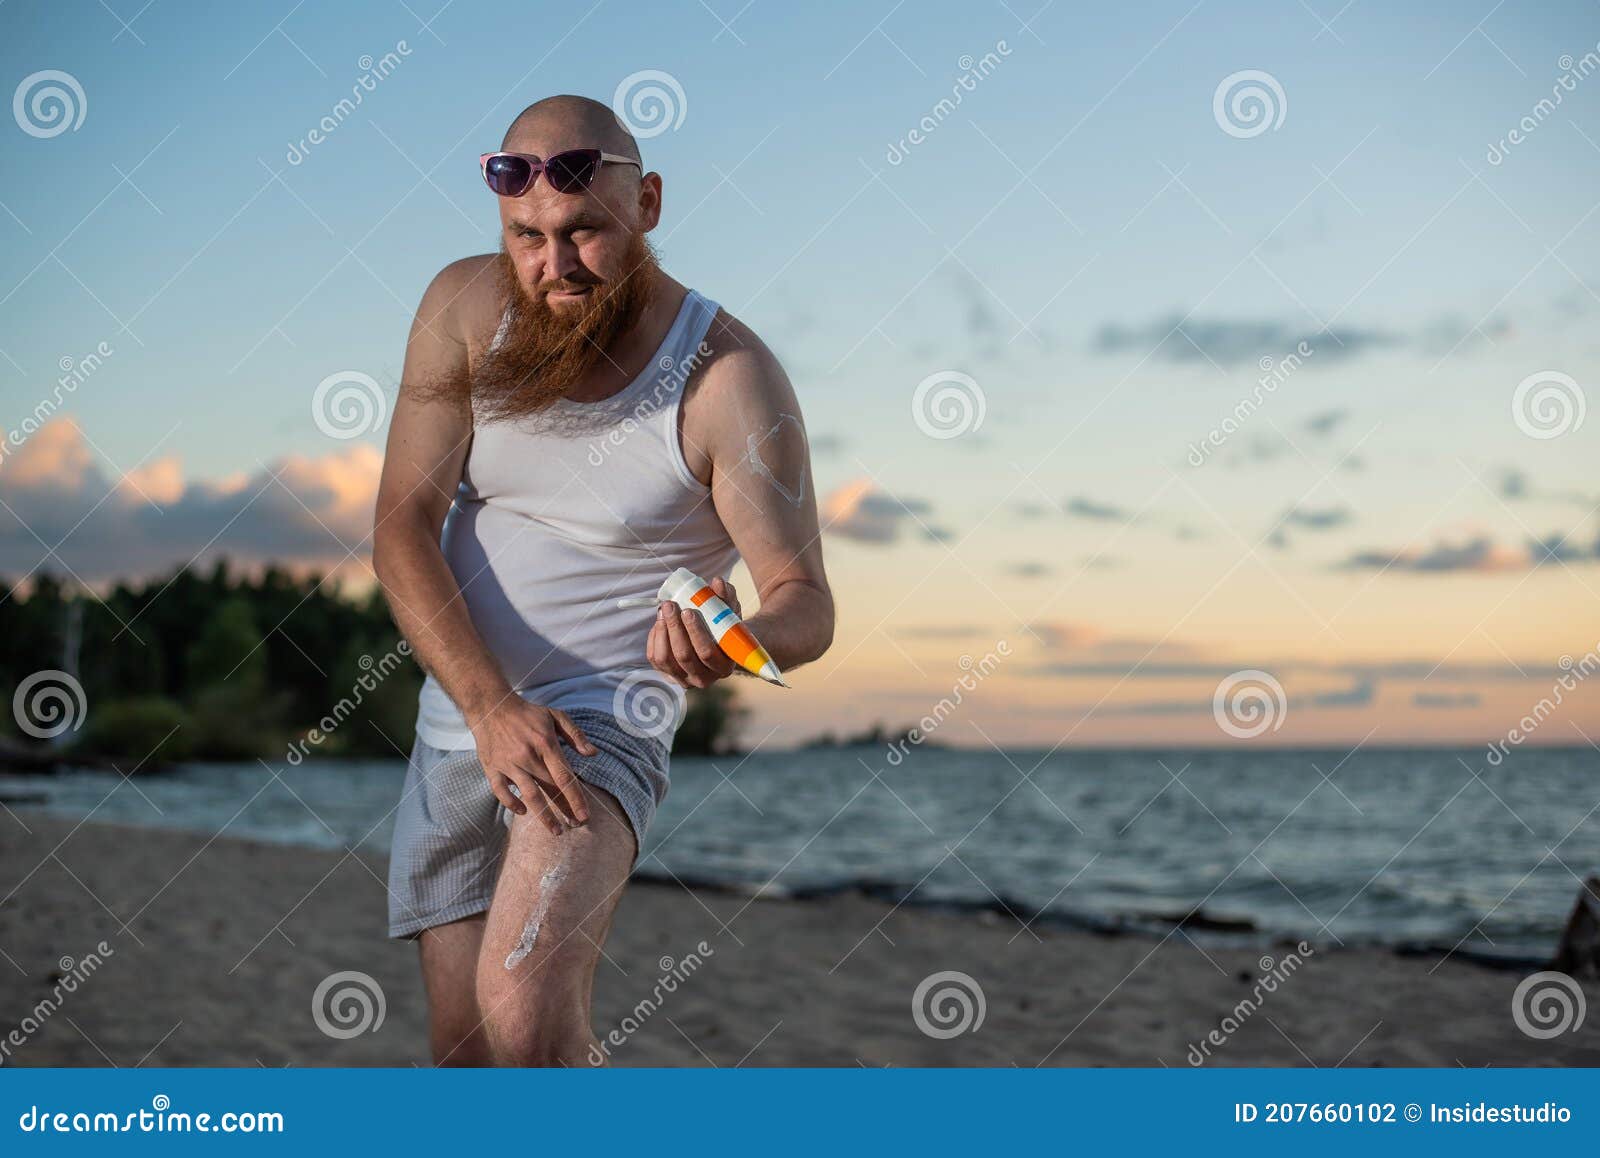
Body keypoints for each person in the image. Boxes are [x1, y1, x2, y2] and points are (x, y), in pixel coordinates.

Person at [372, 94, 833, 1066]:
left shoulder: (726, 379)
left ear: (649, 203)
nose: (554, 265)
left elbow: (806, 604)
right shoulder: (463, 308)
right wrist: (490, 705)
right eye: (526, 238)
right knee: (463, 1055)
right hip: (462, 719)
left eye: (584, 231)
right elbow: (400, 526)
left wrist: (737, 636)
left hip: (601, 725)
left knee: (524, 1005)